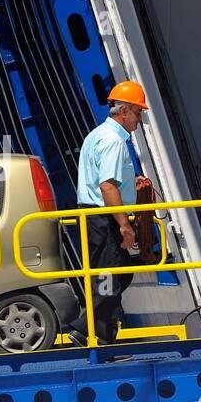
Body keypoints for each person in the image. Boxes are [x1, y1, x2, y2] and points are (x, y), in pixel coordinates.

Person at [65, 81, 152, 344]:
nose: (139, 119)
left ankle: (95, 330)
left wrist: (129, 184)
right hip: (105, 219)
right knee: (110, 275)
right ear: (123, 111)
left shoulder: (97, 135)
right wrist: (124, 225)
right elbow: (107, 185)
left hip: (94, 217)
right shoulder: (114, 141)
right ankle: (90, 330)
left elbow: (105, 181)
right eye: (138, 112)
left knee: (116, 273)